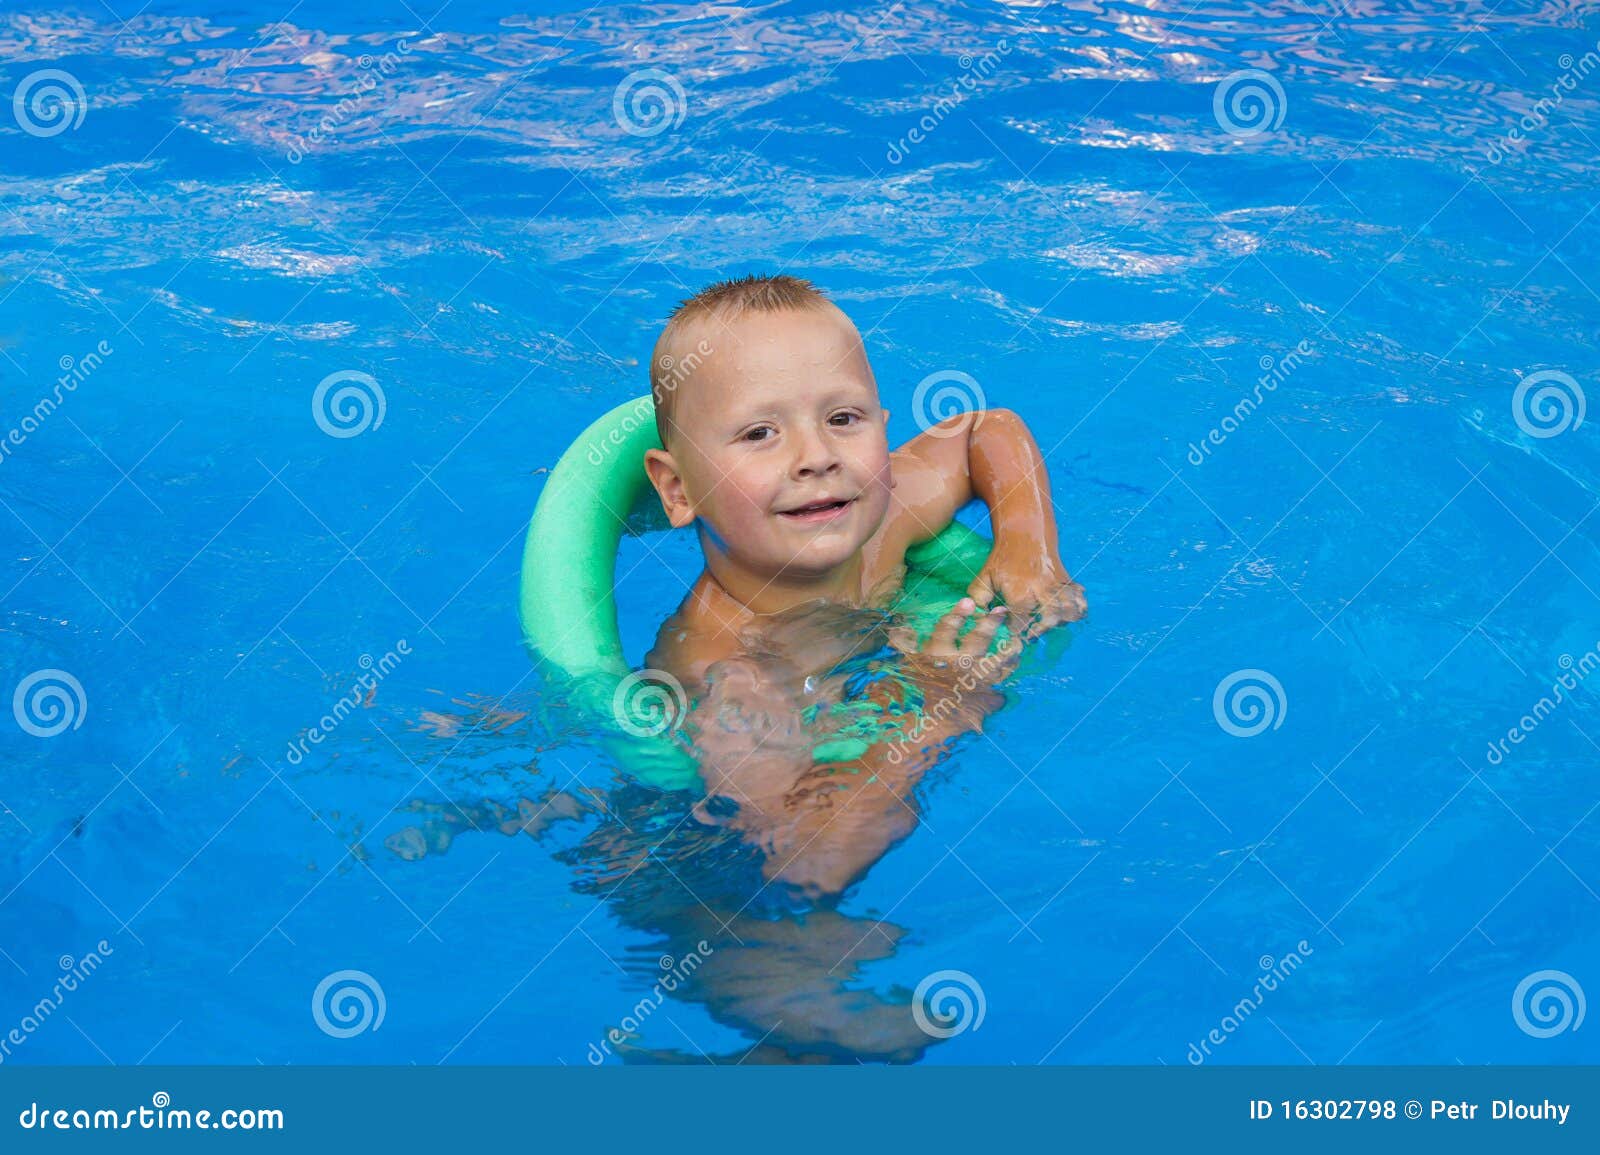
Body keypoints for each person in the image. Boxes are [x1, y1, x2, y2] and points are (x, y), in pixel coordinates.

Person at [637, 273, 1085, 896]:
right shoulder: (727, 672)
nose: (817, 456)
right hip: (709, 875)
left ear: (883, 427)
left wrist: (1028, 546)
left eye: (843, 418)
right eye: (760, 433)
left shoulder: (888, 514)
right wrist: (941, 698)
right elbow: (808, 860)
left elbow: (987, 428)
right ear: (678, 489)